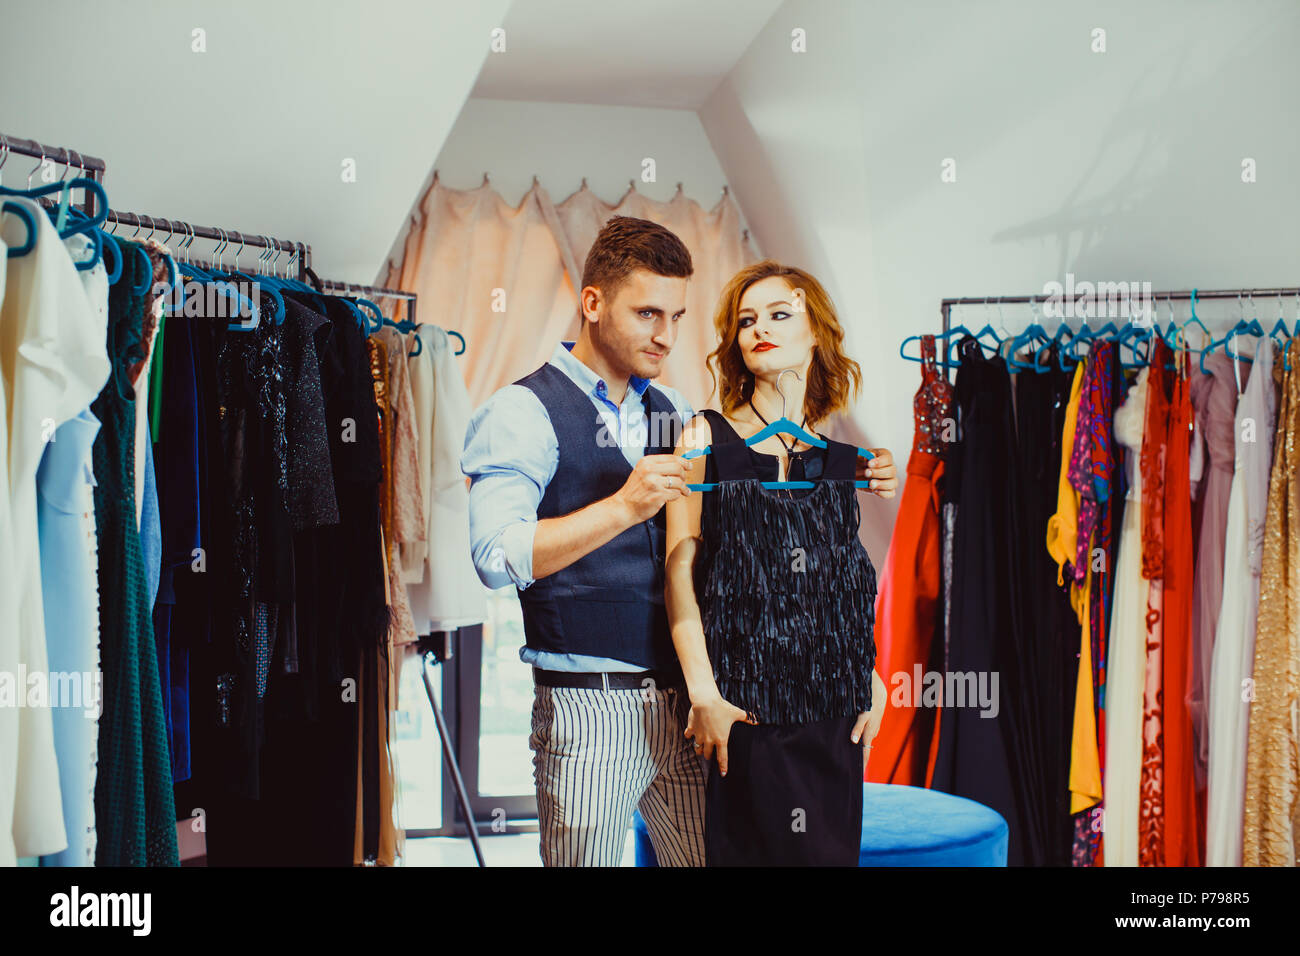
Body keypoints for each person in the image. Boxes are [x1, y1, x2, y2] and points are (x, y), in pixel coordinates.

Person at [463, 218, 896, 866]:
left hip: (700, 708)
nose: (666, 335)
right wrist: (623, 506)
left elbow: (748, 557)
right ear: (592, 303)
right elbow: (495, 558)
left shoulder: (675, 409)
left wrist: (852, 664)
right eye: (647, 314)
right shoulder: (521, 411)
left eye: (676, 315)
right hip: (594, 706)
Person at [664, 259, 889, 866]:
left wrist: (868, 672)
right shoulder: (703, 438)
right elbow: (679, 574)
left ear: (815, 330)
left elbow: (841, 578)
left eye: (779, 314)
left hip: (836, 712)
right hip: (744, 710)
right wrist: (703, 692)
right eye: (746, 320)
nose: (759, 327)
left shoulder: (837, 456)